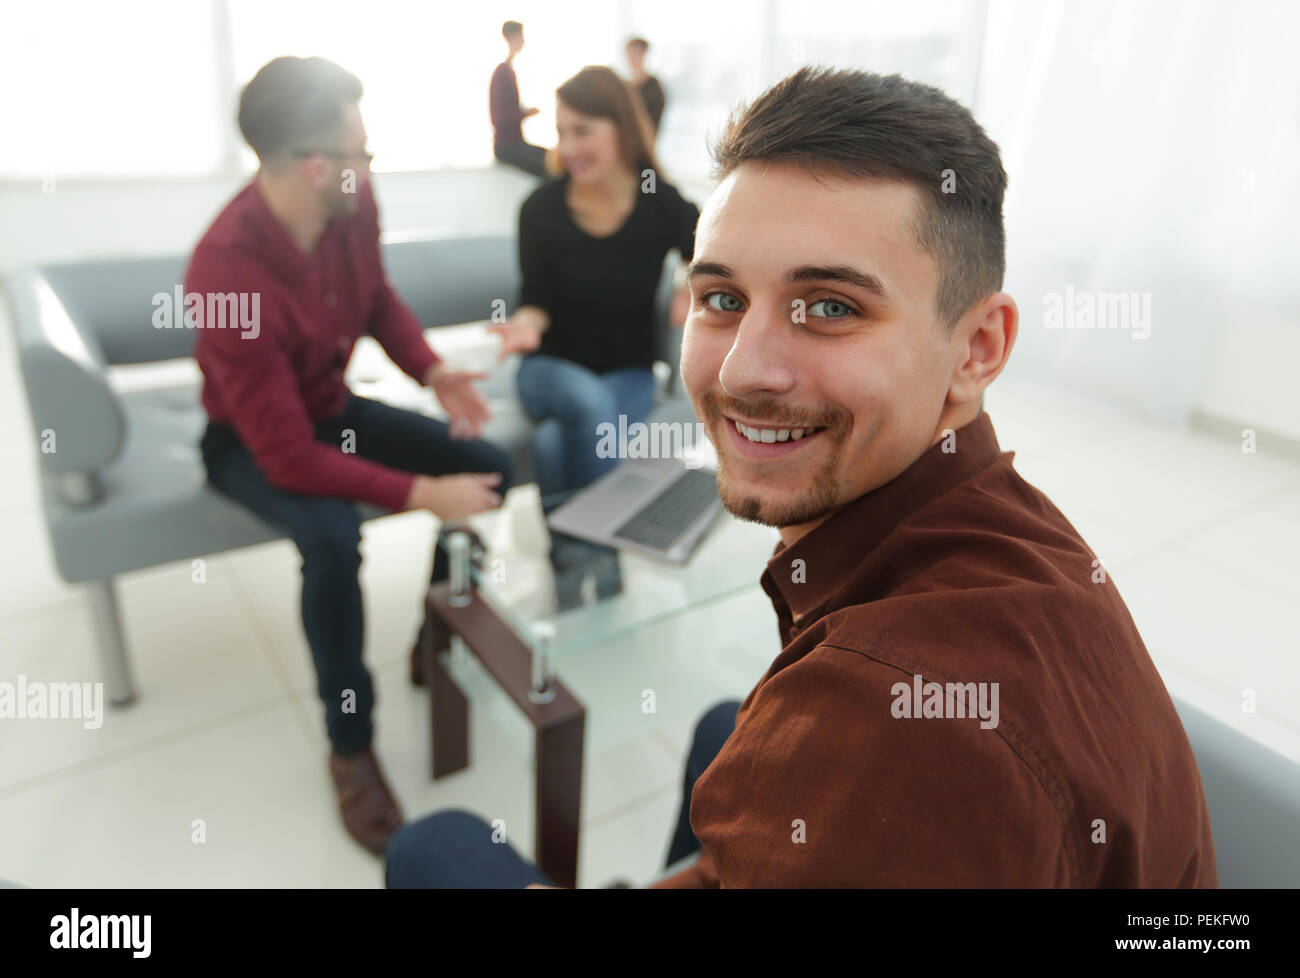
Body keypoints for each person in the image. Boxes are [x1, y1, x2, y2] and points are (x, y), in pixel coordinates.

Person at [385, 67, 1218, 888]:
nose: (744, 372)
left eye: (830, 307)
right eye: (721, 297)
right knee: (726, 727)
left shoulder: (893, 728)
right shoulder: (1006, 517)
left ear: (977, 349)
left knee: (439, 849)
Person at [188, 56, 514, 858]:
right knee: (332, 539)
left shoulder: (352, 204)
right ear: (316, 167)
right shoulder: (224, 271)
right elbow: (290, 457)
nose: (370, 168)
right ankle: (350, 744)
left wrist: (432, 371)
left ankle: (432, 640)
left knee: (491, 466)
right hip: (250, 442)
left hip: (330, 410)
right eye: (362, 152)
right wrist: (417, 492)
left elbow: (376, 300)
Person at [489, 65, 699, 496]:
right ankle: (604, 548)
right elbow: (536, 297)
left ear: (622, 128)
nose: (567, 148)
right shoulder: (541, 208)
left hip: (629, 372)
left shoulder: (659, 200)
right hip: (549, 369)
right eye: (561, 132)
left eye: (582, 131)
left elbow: (713, 253)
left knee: (551, 444)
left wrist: (690, 285)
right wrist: (527, 323)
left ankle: (572, 556)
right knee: (587, 402)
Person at [490, 21, 550, 178]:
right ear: (511, 38)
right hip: (508, 147)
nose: (523, 41)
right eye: (521, 37)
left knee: (554, 159)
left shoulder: (508, 71)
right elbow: (500, 119)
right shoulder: (502, 72)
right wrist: (525, 113)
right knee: (549, 171)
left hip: (516, 143)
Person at [626, 37, 665, 137]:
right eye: (629, 54)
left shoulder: (654, 87)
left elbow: (653, 123)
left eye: (635, 54)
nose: (631, 59)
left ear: (644, 54)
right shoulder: (624, 84)